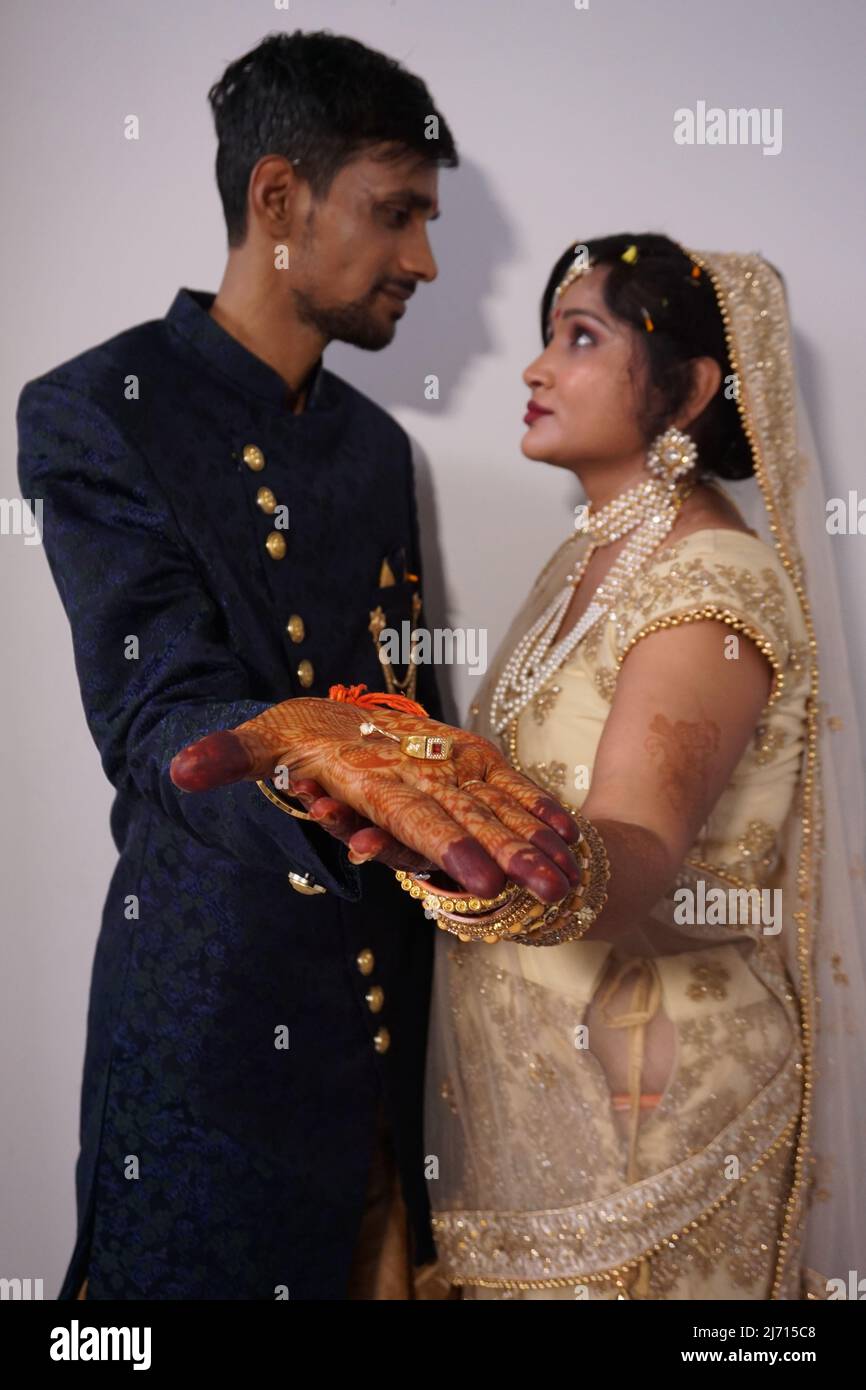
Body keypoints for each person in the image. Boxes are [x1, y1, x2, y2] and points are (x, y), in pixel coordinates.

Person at [16, 29, 577, 1301]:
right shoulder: (95, 409)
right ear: (277, 200)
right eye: (397, 215)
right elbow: (158, 707)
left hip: (384, 1047)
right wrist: (290, 734)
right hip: (212, 1027)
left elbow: (409, 726)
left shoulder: (376, 447)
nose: (427, 262)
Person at [409, 233, 866, 1299]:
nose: (534, 368)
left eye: (579, 338)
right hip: (543, 1129)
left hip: (656, 1139)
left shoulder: (708, 578)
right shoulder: (587, 558)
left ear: (688, 387)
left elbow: (640, 846)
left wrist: (482, 854)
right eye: (545, 338)